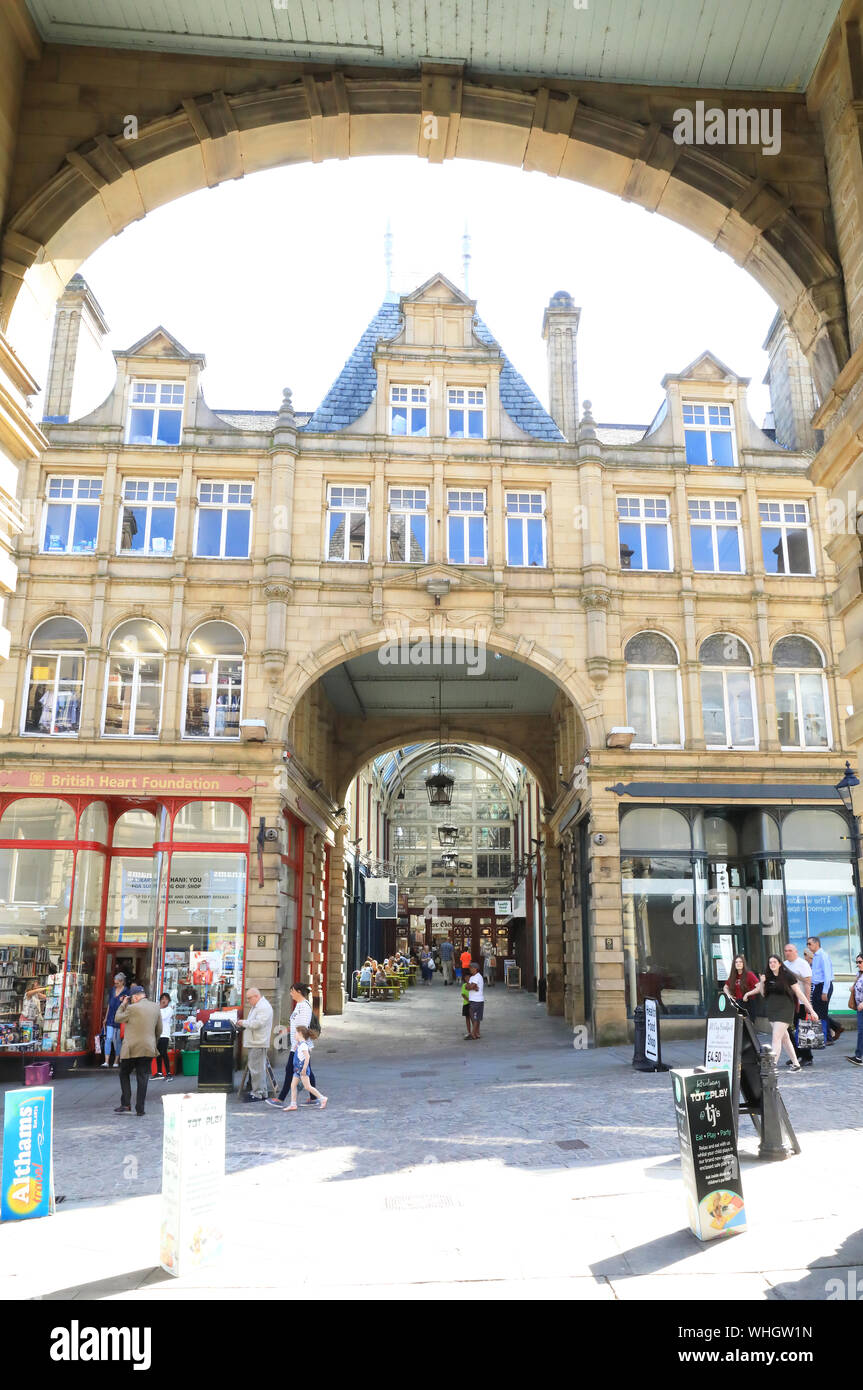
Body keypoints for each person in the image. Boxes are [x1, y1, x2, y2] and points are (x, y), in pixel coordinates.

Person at [743, 955, 819, 1071]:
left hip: (785, 1010)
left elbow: (799, 993)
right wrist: (760, 984)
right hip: (772, 1010)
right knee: (785, 1038)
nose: (772, 964)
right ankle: (796, 1064)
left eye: (774, 962)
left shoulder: (787, 976)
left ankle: (771, 1067)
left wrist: (811, 1010)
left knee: (776, 1038)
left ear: (779, 964)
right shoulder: (768, 977)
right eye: (770, 962)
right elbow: (763, 994)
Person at [113, 985, 162, 1116]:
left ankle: (126, 1103)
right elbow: (159, 1030)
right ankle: (140, 1108)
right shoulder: (156, 1007)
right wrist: (153, 1042)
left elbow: (118, 1018)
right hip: (148, 1047)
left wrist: (123, 1004)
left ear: (134, 997)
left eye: (131, 998)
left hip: (131, 1049)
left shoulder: (132, 1008)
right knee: (143, 1077)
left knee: (124, 1073)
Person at [268, 982, 317, 1108]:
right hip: (297, 1044)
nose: (290, 994)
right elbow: (297, 1024)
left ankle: (281, 1099)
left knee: (291, 1070)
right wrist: (288, 1030)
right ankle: (314, 1098)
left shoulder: (304, 1007)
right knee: (305, 1072)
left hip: (299, 1045)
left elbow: (304, 1026)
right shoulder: (299, 1005)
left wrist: (299, 1044)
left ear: (299, 992)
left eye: (292, 991)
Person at [236, 984, 274, 1102]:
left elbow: (257, 1024)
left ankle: (257, 1093)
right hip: (256, 1041)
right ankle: (261, 1092)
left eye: (249, 998)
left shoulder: (263, 1007)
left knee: (256, 1068)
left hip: (258, 1042)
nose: (248, 1001)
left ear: (256, 996)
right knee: (258, 1068)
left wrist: (243, 1023)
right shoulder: (258, 1006)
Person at [281, 1025, 327, 1110]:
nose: (294, 1035)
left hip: (302, 1069)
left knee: (307, 1087)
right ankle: (293, 1104)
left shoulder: (303, 1045)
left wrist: (305, 1069)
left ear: (300, 1034)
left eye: (295, 1033)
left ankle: (322, 1098)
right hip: (298, 1070)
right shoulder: (300, 1044)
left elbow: (307, 1057)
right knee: (293, 1085)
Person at [783, 944, 814, 1067]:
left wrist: (807, 1002)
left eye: (790, 950)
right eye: (786, 951)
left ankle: (807, 1056)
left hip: (800, 1002)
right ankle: (795, 1054)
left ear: (796, 951)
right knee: (788, 1029)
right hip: (788, 1002)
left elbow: (807, 983)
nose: (788, 952)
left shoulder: (802, 964)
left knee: (802, 1030)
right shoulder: (784, 964)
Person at [807, 935, 835, 1044]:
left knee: (821, 1013)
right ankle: (825, 1036)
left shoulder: (823, 956)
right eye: (807, 944)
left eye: (810, 943)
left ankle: (827, 1038)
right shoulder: (816, 956)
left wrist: (825, 991)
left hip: (824, 986)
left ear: (816, 944)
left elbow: (827, 975)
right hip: (818, 986)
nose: (808, 946)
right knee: (818, 1012)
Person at [101, 972, 130, 1069]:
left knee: (117, 1040)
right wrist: (105, 1017)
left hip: (119, 1018)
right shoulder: (112, 990)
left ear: (122, 982)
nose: (115, 985)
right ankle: (106, 1061)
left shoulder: (126, 991)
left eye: (117, 983)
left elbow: (127, 1006)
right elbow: (109, 1004)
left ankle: (116, 1060)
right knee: (108, 1039)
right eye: (115, 983)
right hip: (110, 1017)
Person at [846, 952, 863, 1065]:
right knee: (861, 1032)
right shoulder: (859, 974)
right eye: (856, 962)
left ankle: (858, 1056)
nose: (858, 964)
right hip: (859, 1008)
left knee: (861, 1032)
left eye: (860, 962)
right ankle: (858, 1057)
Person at [156, 992, 174, 1080]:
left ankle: (168, 1072)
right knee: (158, 1053)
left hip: (165, 1034)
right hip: (157, 1034)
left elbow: (162, 1017)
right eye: (162, 999)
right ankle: (159, 1072)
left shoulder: (169, 1009)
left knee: (163, 1053)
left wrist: (160, 1008)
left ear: (169, 1001)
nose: (164, 1001)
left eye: (166, 999)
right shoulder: (157, 1008)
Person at [467, 960, 485, 1040]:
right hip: (474, 1000)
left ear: (475, 969)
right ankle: (477, 1033)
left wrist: (471, 986)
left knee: (474, 1017)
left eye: (471, 968)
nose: (470, 969)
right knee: (476, 1017)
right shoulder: (472, 977)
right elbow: (467, 987)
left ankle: (473, 1033)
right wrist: (473, 987)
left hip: (477, 1000)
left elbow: (470, 987)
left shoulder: (477, 976)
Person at [460, 973, 472, 1039]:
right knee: (467, 1018)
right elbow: (463, 994)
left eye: (469, 977)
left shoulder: (473, 985)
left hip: (472, 1003)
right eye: (466, 978)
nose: (467, 979)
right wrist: (468, 1000)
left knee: (473, 1018)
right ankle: (469, 1031)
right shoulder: (464, 985)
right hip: (466, 1004)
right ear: (464, 979)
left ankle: (474, 1031)